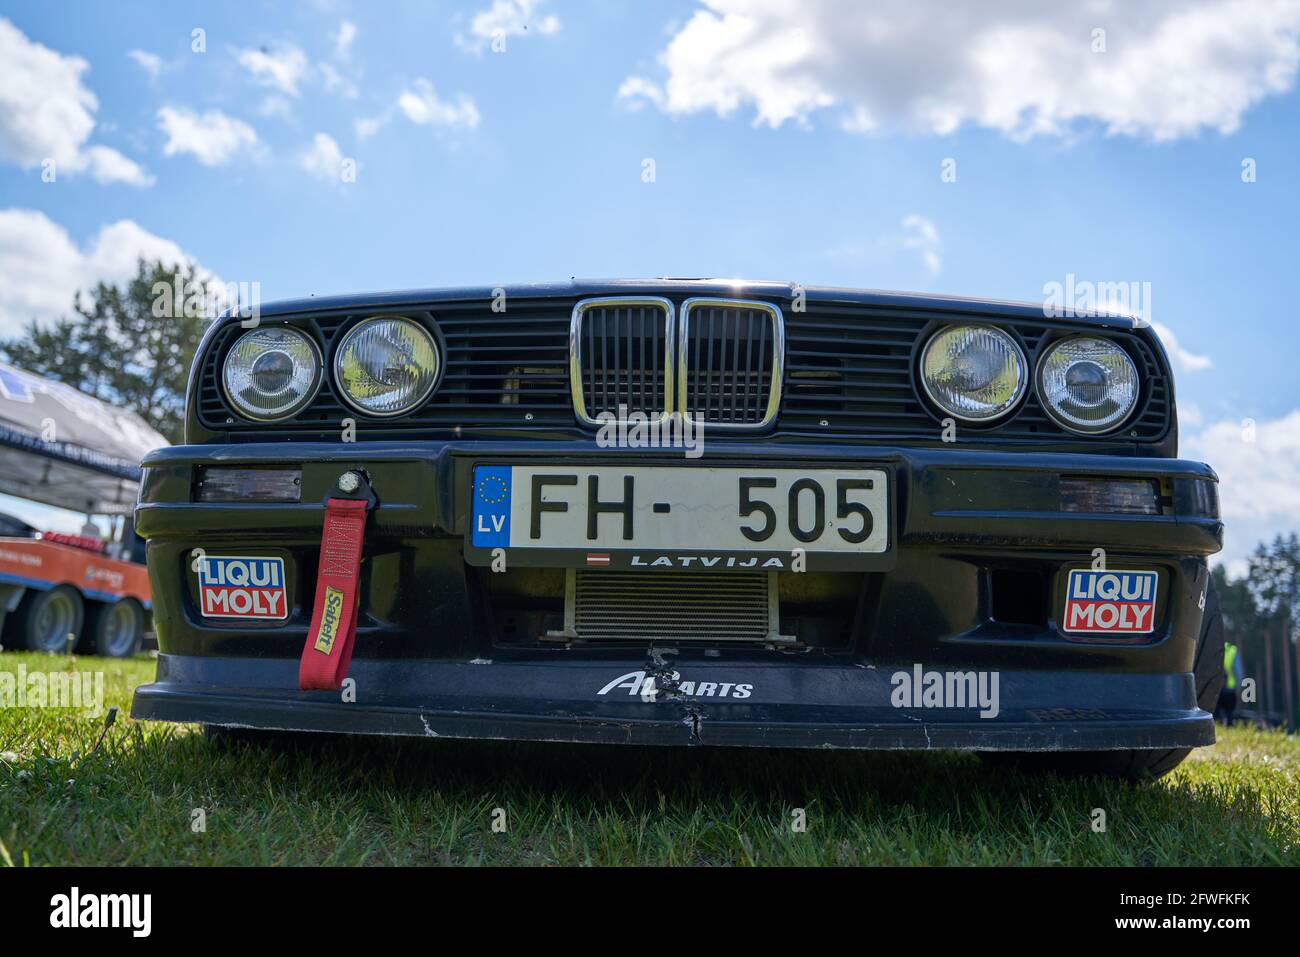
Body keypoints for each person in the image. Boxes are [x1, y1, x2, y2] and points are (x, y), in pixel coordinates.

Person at [1214, 641, 1243, 724]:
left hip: (1216, 689)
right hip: (1230, 690)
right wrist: (1238, 688)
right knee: (1230, 715)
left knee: (1216, 717)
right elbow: (1238, 672)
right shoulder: (1233, 651)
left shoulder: (1214, 650)